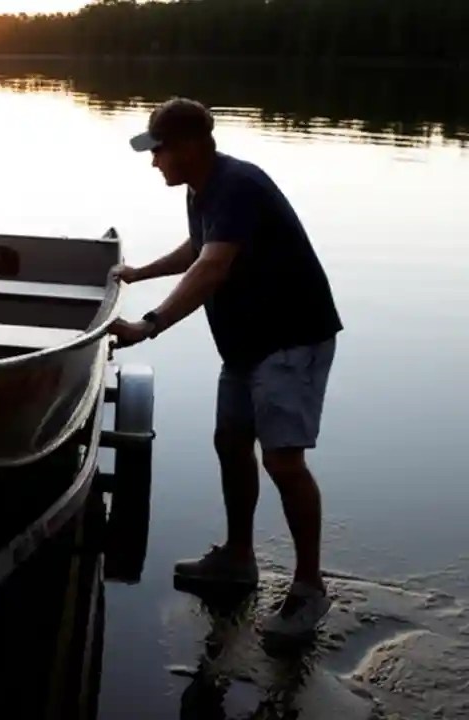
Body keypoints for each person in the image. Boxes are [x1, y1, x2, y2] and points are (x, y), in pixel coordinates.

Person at [110, 97, 343, 637]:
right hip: (246, 345)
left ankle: (310, 590)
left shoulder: (238, 184)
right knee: (232, 443)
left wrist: (150, 323)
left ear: (190, 146)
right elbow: (200, 245)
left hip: (290, 341)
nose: (154, 163)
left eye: (159, 150)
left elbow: (213, 266)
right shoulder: (205, 188)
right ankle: (239, 558)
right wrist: (140, 272)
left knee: (283, 462)